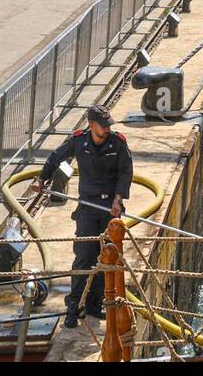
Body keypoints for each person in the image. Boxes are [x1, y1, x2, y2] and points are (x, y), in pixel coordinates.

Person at [33, 105, 133, 328]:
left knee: (106, 256)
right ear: (91, 125)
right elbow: (56, 157)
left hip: (109, 207)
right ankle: (74, 306)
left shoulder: (118, 143)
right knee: (84, 256)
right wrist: (42, 180)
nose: (107, 129)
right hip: (87, 205)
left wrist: (118, 198)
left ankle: (95, 304)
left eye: (108, 126)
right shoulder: (79, 141)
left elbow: (126, 172)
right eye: (103, 126)